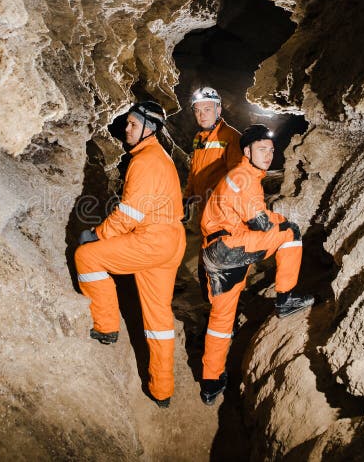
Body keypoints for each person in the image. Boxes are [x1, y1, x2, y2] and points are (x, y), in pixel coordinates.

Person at [74, 101, 186, 408]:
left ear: (149, 129)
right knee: (158, 316)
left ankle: (107, 327)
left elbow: (128, 215)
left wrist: (96, 235)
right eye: (127, 123)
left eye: (133, 125)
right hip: (171, 240)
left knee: (88, 257)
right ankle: (162, 391)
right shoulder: (159, 157)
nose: (127, 129)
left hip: (153, 239)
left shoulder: (146, 160)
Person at [198, 124, 314, 405]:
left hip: (216, 254)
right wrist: (281, 222)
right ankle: (285, 299)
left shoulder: (237, 176)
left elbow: (255, 216)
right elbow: (260, 223)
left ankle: (210, 383)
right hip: (231, 248)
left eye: (271, 150)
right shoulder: (243, 177)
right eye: (262, 149)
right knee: (291, 233)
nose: (268, 155)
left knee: (221, 320)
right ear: (247, 151)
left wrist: (272, 219)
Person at [183, 86, 242, 218]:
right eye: (197, 110)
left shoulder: (231, 137)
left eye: (207, 109)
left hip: (222, 213)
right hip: (202, 209)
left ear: (218, 110)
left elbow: (239, 178)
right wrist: (187, 198)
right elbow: (194, 172)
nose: (201, 115)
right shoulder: (199, 138)